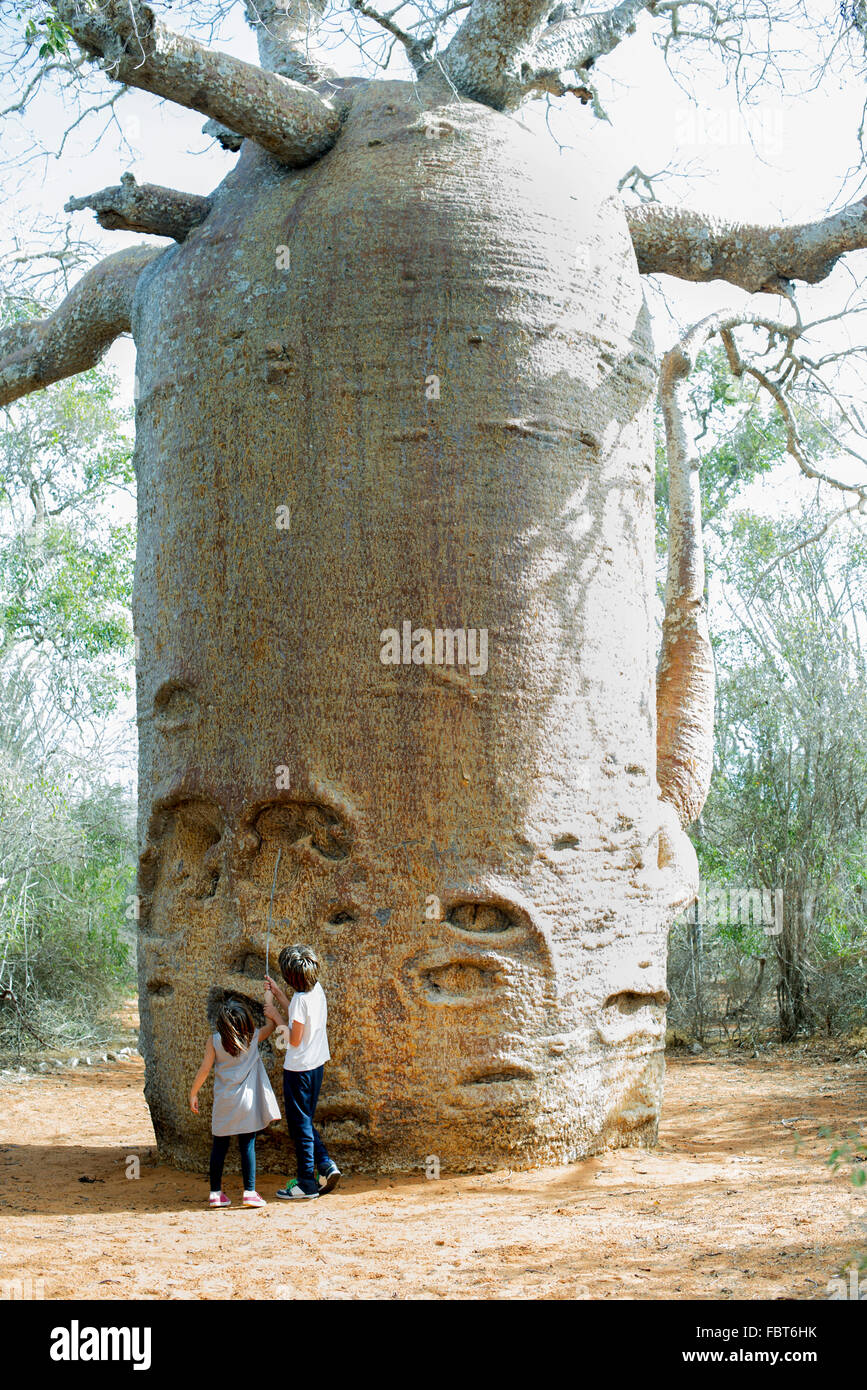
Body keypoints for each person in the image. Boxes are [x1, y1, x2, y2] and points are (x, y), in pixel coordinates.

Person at [264, 944, 341, 1199]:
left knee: (300, 1126)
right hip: (317, 1064)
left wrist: (276, 1017)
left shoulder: (299, 1001)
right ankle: (327, 1166)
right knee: (306, 1120)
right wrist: (278, 994)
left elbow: (294, 1039)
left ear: (290, 977)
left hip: (299, 1069)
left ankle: (306, 1182)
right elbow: (301, 1015)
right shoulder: (316, 991)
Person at [189, 997, 281, 1208]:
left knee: (219, 1148)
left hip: (224, 1102)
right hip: (247, 1102)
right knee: (247, 1145)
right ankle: (249, 1191)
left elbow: (204, 1069)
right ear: (246, 1021)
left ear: (221, 1024)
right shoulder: (253, 1037)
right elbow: (271, 1026)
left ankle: (215, 1193)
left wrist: (193, 1093)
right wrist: (270, 1010)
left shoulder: (214, 1041)